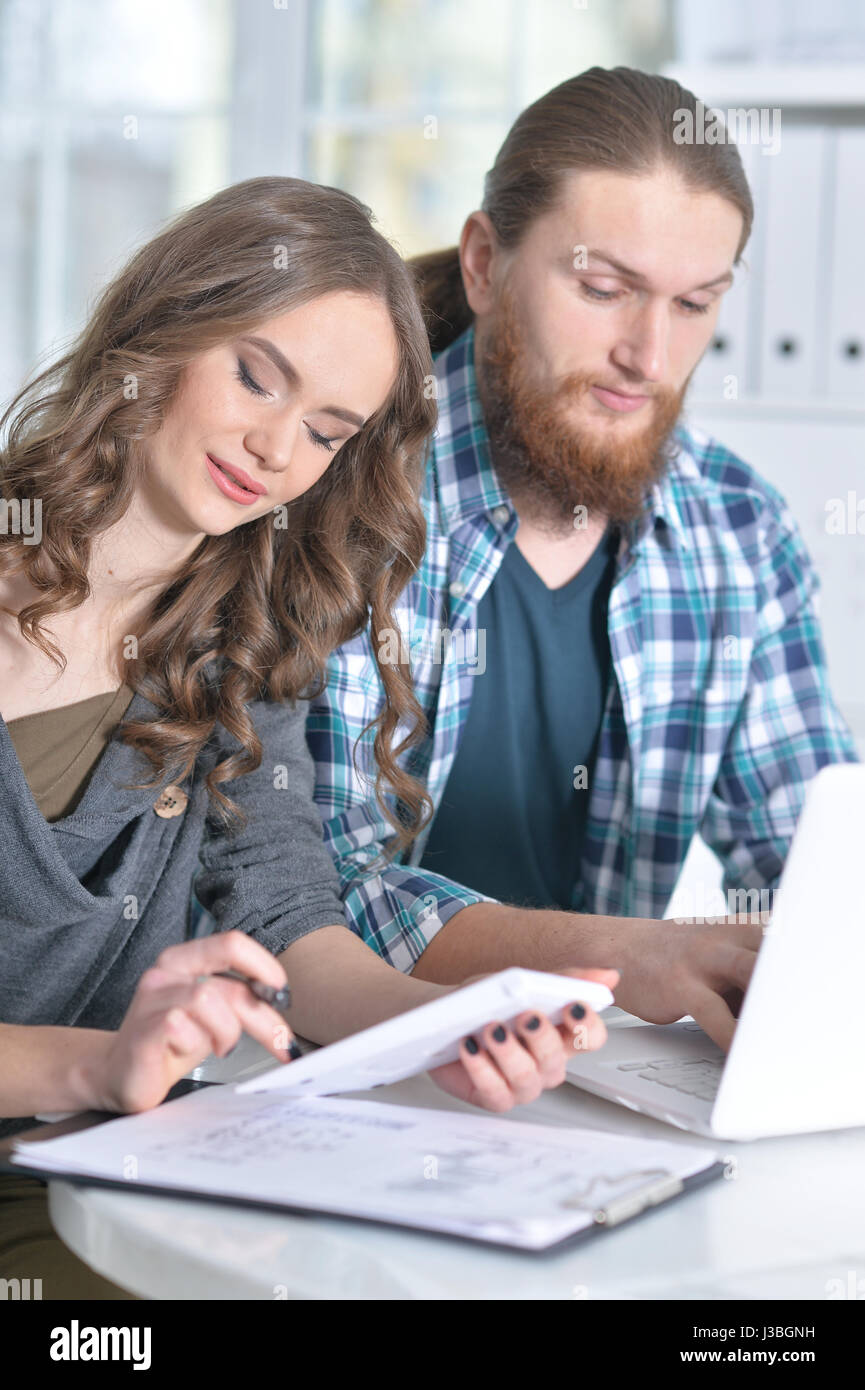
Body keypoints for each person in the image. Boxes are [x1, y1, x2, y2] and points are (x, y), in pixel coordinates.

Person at [0, 176, 615, 1298]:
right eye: (253, 376)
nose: (277, 447)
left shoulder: (246, 638)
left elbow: (288, 918)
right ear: (162, 328)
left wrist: (454, 1027)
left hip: (109, 1168)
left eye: (326, 430)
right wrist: (101, 1060)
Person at [305, 67, 858, 1051]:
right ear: (483, 263)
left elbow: (812, 866)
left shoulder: (738, 531)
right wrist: (629, 952)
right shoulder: (327, 489)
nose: (648, 353)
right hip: (315, 1079)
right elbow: (307, 890)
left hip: (577, 1098)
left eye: (694, 304)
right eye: (603, 289)